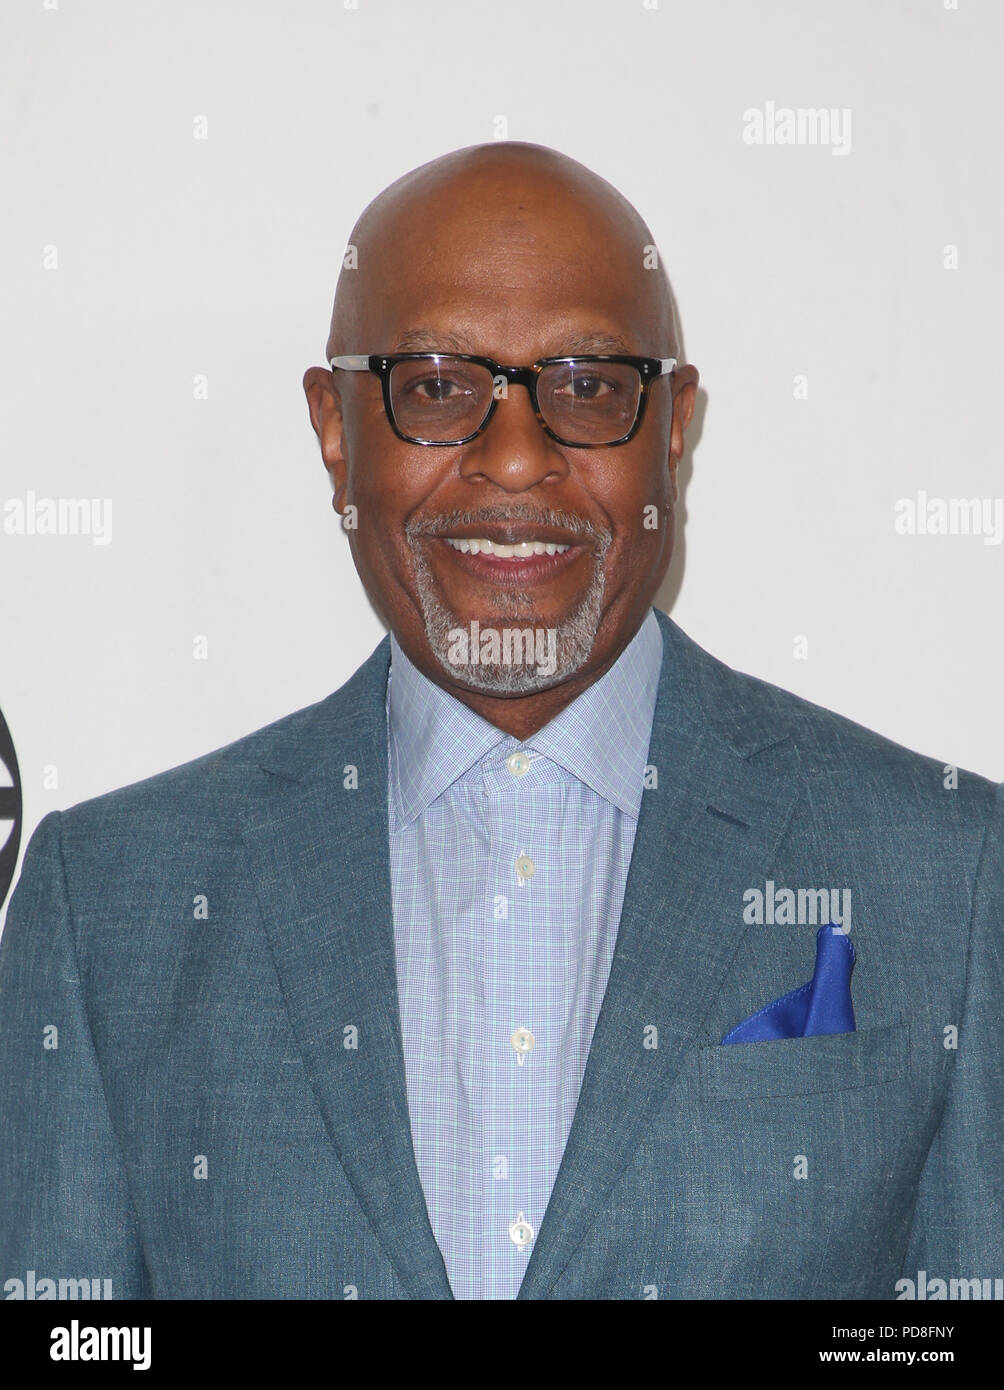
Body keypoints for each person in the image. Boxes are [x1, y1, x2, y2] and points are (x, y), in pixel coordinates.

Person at [1, 142, 1000, 1301]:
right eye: (434, 385)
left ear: (671, 431)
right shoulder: (111, 906)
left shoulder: (947, 877)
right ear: (335, 431)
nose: (516, 457)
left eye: (585, 385)